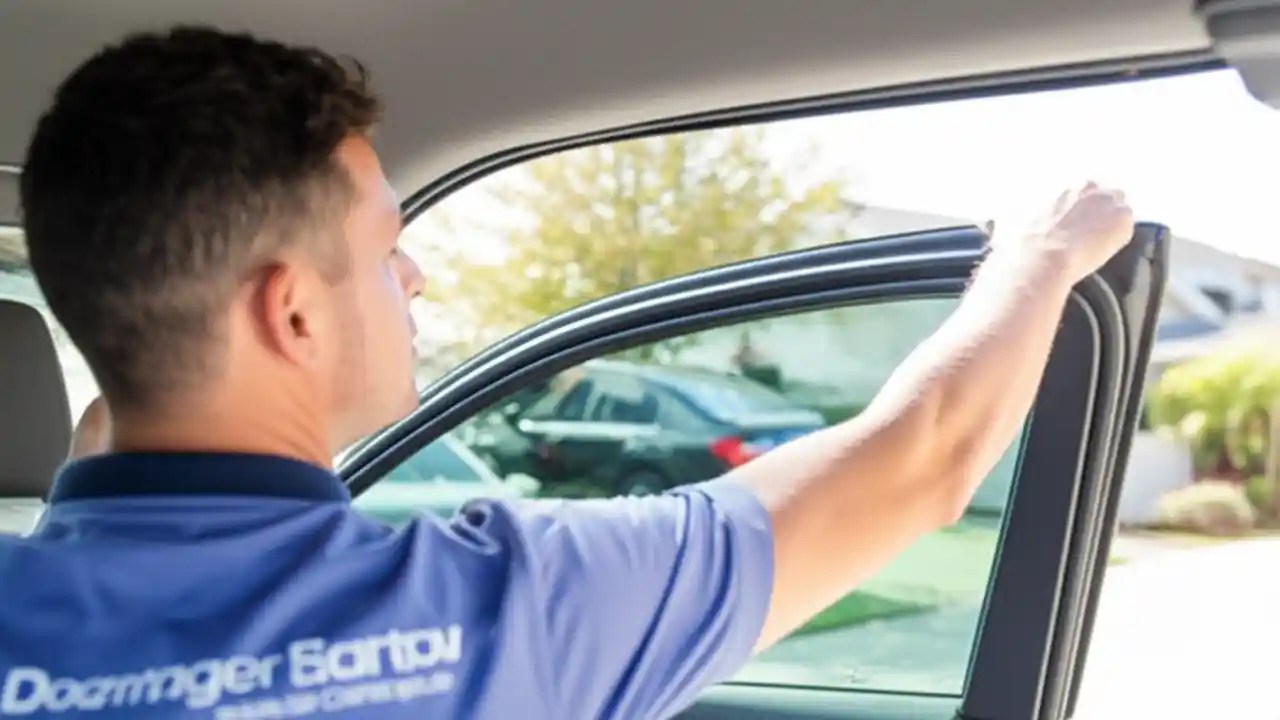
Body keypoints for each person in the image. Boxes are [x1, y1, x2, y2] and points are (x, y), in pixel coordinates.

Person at [0, 26, 1133, 720]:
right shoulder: (504, 608)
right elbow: (922, 458)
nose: (418, 277)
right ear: (289, 310)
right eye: (386, 247)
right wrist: (1040, 254)